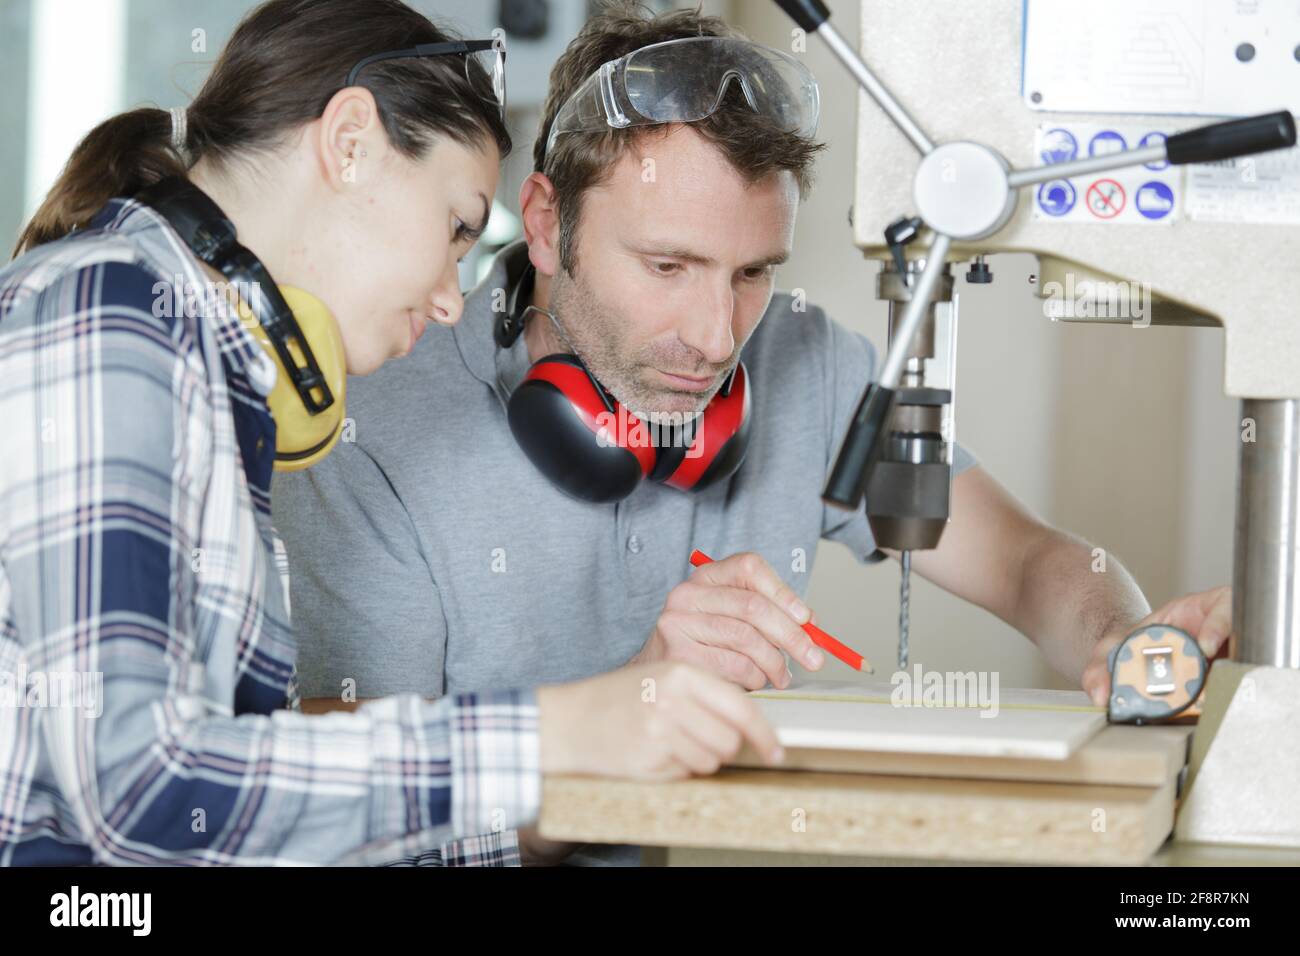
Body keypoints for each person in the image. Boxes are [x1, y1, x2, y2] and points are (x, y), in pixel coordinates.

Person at [273, 3, 1235, 865]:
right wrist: (639, 702)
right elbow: (367, 840)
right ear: (544, 221)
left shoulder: (802, 360)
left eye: (751, 273)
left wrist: (1121, 644)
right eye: (667, 265)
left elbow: (1030, 561)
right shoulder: (372, 430)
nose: (716, 337)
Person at [0, 0, 781, 868]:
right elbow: (141, 793)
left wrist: (575, 785)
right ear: (350, 143)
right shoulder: (111, 316)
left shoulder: (191, 356)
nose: (453, 298)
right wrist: (548, 731)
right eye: (456, 228)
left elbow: (251, 817)